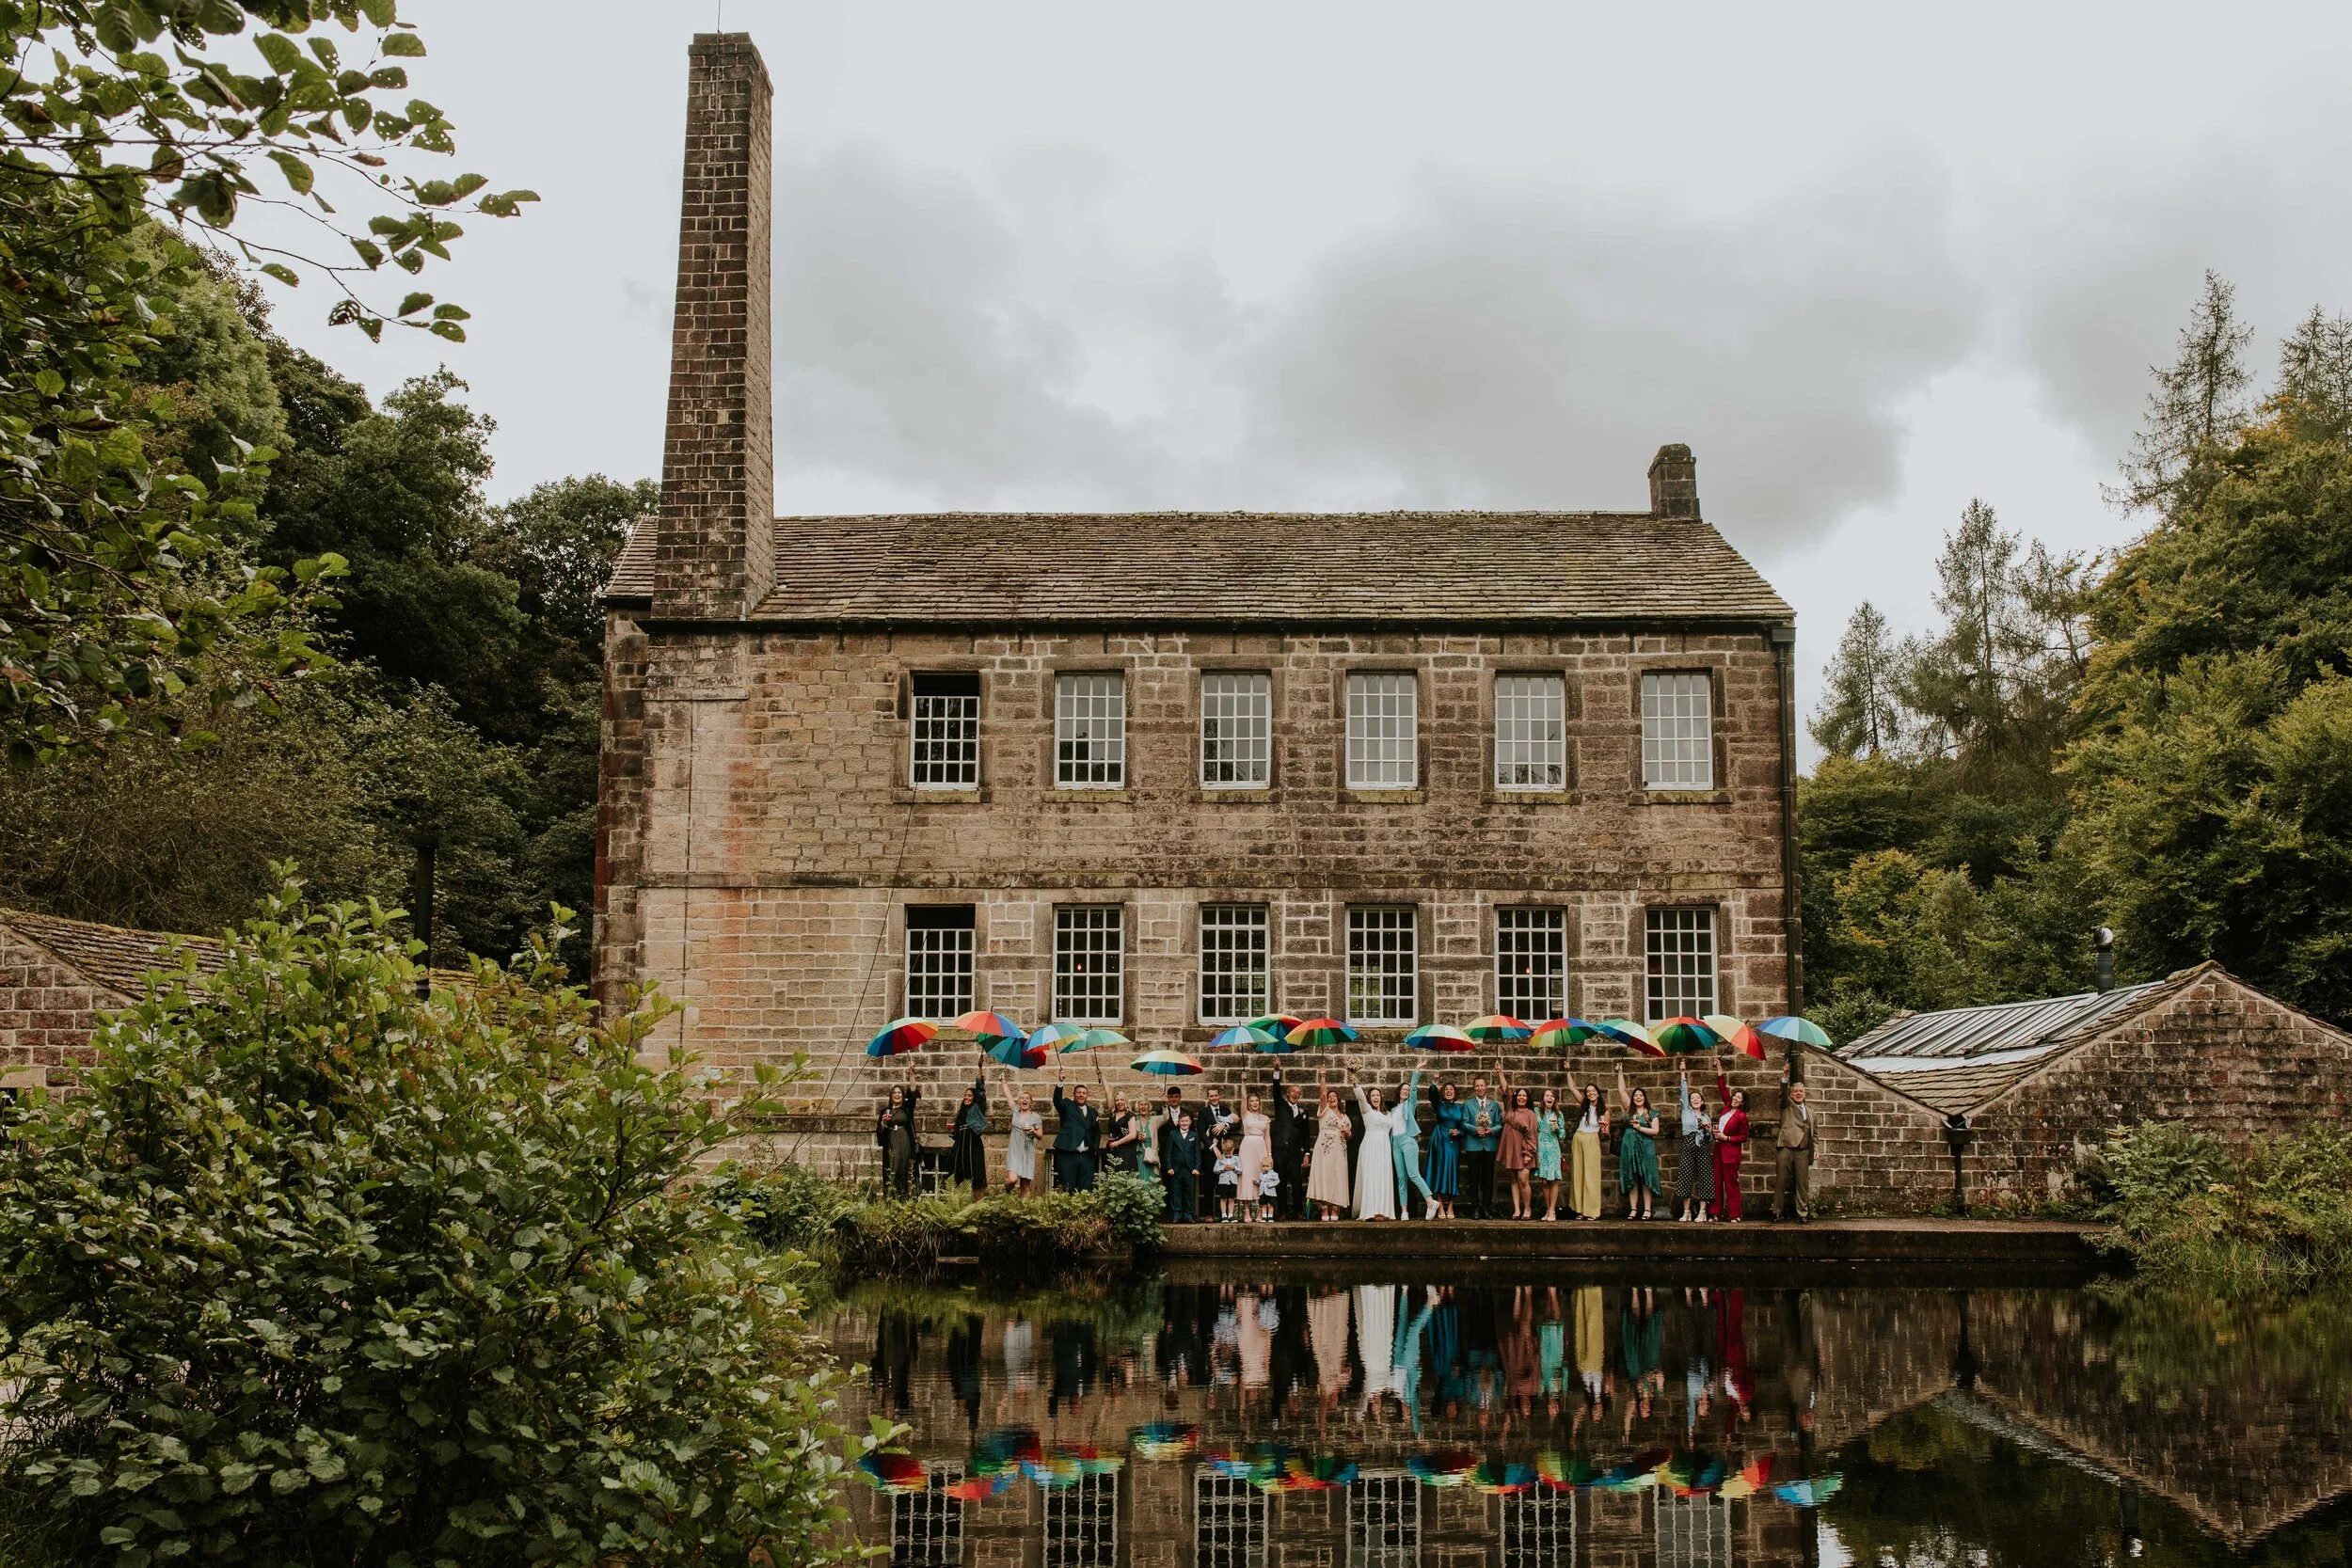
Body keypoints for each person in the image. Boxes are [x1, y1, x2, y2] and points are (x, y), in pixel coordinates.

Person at [1772, 1068, 1820, 1223]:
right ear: (1791, 1094)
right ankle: (1777, 1212)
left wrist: (1816, 1150)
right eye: (1796, 1091)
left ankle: (1803, 1213)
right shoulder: (1786, 1106)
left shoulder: (1812, 1113)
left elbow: (1815, 1135)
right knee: (1781, 1181)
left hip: (1804, 1150)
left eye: (1801, 1091)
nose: (1798, 1093)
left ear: (1805, 1094)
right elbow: (1782, 1094)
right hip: (1786, 1146)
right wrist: (1785, 1076)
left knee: (1802, 1183)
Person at [1390, 1069, 1438, 1220]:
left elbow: (1414, 1088)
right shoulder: (1393, 1110)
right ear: (1399, 1092)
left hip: (1408, 1140)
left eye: (1407, 1090)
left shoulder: (1410, 1105)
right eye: (1403, 1089)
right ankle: (1404, 1211)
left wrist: (1416, 1072)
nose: (1405, 1091)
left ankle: (1430, 1202)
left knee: (1413, 1174)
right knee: (1401, 1178)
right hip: (1395, 1143)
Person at [1615, 1067, 1661, 1220]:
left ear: (1645, 1097)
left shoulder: (1651, 1113)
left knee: (1646, 1177)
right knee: (1632, 1178)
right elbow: (1622, 1091)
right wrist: (1620, 1072)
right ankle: (1633, 1209)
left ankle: (1647, 1209)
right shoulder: (1629, 1109)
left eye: (1641, 1095)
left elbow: (1655, 1131)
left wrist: (1640, 1127)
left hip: (1646, 1147)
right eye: (1636, 1095)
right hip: (1628, 1147)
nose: (1638, 1097)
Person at [1306, 1077, 1353, 1220]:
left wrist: (1349, 1134)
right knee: (1324, 1176)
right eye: (1329, 1096)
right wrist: (1323, 1077)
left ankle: (1335, 1208)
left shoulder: (1345, 1117)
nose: (1331, 1098)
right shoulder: (1324, 1111)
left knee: (1338, 1177)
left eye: (1334, 1096)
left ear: (1338, 1100)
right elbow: (1322, 1094)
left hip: (1340, 1150)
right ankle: (1324, 1208)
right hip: (1325, 1149)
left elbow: (1349, 1136)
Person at [1354, 1075, 1399, 1220]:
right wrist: (1355, 1083)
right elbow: (1360, 1097)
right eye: (1372, 1095)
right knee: (1372, 1177)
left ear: (1381, 1097)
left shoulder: (1388, 1114)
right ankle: (1371, 1211)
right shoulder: (1366, 1110)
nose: (1375, 1097)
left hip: (1385, 1148)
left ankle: (1383, 1210)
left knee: (1383, 1177)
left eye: (1377, 1095)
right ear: (1369, 1098)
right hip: (1371, 1146)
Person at [1269, 1069, 1311, 1221]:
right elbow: (1275, 1089)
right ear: (1288, 1093)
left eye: (1298, 1092)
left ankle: (1299, 1211)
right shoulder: (1280, 1105)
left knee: (1297, 1181)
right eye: (1293, 1091)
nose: (1295, 1094)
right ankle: (1282, 1212)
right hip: (1279, 1149)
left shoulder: (1304, 1112)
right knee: (1280, 1181)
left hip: (1294, 1152)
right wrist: (1276, 1071)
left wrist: (1307, 1153)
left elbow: (1306, 1134)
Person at [1676, 1069, 1717, 1222]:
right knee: (1685, 1177)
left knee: (1705, 1177)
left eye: (1697, 1097)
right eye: (1692, 1097)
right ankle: (1686, 1211)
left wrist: (1707, 1131)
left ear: (1703, 1102)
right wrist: (1683, 1074)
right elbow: (1683, 1093)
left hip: (1702, 1147)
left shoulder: (1706, 1117)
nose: (1694, 1099)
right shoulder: (1686, 1111)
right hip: (1688, 1143)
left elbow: (1709, 1139)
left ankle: (1702, 1212)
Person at [1713, 1064, 1751, 1222]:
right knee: (1716, 1182)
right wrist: (1720, 1072)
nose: (1735, 1099)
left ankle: (1734, 1214)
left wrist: (1726, 1138)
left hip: (1731, 1154)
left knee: (1731, 1184)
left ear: (1742, 1103)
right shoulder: (1727, 1106)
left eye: (1738, 1098)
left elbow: (1743, 1137)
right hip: (1718, 1151)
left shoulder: (1742, 1117)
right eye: (1734, 1097)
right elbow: (1722, 1090)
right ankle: (1715, 1212)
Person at [1462, 1077, 1502, 1219]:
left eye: (1482, 1086)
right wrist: (1475, 1129)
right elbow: (1464, 1123)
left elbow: (1499, 1124)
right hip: (1473, 1145)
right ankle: (1474, 1208)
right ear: (1474, 1088)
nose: (1479, 1088)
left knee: (1488, 1178)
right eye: (1477, 1086)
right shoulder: (1468, 1104)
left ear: (1486, 1087)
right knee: (1473, 1178)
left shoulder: (1494, 1105)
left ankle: (1486, 1207)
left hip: (1489, 1146)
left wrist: (1492, 1130)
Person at [1426, 1080, 1466, 1219]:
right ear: (1443, 1093)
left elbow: (1464, 1127)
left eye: (1452, 1090)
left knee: (1453, 1172)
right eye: (1447, 1090)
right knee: (1439, 1171)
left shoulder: (1460, 1109)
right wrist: (1435, 1081)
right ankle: (1441, 1206)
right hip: (1439, 1140)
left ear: (1455, 1094)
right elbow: (1432, 1094)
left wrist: (1459, 1133)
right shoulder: (1439, 1106)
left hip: (1454, 1142)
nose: (1449, 1091)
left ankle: (1451, 1206)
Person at [1051, 1082, 1099, 1194]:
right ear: (1074, 1094)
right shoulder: (1067, 1105)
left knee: (1086, 1189)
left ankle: (1084, 1211)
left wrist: (1095, 1149)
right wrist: (1060, 1083)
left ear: (1087, 1095)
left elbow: (1097, 1132)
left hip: (1087, 1156)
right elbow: (1057, 1101)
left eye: (1084, 1093)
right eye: (1079, 1093)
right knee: (1067, 1188)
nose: (1081, 1095)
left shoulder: (1093, 1112)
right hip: (1068, 1155)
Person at [1498, 1085, 1537, 1220]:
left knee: (1523, 1180)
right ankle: (1517, 1209)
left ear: (1528, 1099)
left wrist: (1528, 1153)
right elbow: (1506, 1089)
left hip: (1523, 1150)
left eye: (1524, 1096)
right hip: (1510, 1148)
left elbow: (1532, 1134)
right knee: (1513, 1179)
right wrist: (1499, 1071)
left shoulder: (1531, 1114)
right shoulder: (1510, 1108)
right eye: (1519, 1095)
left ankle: (1527, 1208)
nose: (1521, 1097)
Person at [878, 1073, 919, 1197]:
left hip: (904, 1141)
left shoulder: (907, 1108)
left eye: (899, 1092)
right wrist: (884, 1123)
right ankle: (891, 1198)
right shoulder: (885, 1111)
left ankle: (905, 1197)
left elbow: (913, 1093)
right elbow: (880, 1132)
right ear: (891, 1096)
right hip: (890, 1142)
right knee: (891, 1168)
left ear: (902, 1096)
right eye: (894, 1093)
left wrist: (911, 1074)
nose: (897, 1094)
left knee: (904, 1168)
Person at [948, 1074, 990, 1196]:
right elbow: (957, 1135)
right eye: (965, 1095)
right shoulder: (961, 1113)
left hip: (974, 1148)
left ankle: (977, 1207)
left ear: (974, 1098)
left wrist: (980, 1071)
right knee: (960, 1181)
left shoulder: (977, 1110)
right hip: (960, 1150)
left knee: (976, 1179)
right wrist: (952, 1132)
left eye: (969, 1095)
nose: (966, 1097)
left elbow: (981, 1093)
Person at [1534, 1087, 1567, 1221]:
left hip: (1553, 1148)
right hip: (1541, 1148)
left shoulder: (1558, 1114)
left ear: (1554, 1099)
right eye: (1547, 1095)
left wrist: (1558, 1129)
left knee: (1553, 1180)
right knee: (1544, 1181)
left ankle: (1553, 1210)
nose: (1550, 1098)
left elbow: (1563, 1135)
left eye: (1552, 1096)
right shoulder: (1537, 1112)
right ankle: (1548, 1209)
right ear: (1543, 1098)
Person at [1165, 1109, 1203, 1223]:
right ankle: (1176, 1215)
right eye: (1182, 1121)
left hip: (1190, 1169)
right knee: (1176, 1192)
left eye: (1186, 1121)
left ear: (1190, 1122)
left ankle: (1188, 1215)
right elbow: (1168, 1153)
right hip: (1176, 1169)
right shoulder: (1172, 1134)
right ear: (1178, 1122)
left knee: (1189, 1193)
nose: (1184, 1123)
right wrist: (1169, 1167)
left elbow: (1198, 1153)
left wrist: (1197, 1167)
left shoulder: (1194, 1135)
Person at [1238, 1091, 1273, 1216]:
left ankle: (1260, 1209)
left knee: (1261, 1177)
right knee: (1247, 1176)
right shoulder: (1245, 1115)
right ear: (1248, 1104)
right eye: (1251, 1101)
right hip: (1247, 1147)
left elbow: (1267, 1137)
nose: (1254, 1103)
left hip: (1261, 1147)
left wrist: (1269, 1155)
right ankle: (1246, 1210)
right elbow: (1242, 1097)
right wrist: (1243, 1082)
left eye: (1256, 1100)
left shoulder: (1265, 1119)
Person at [1007, 1092, 1043, 1197]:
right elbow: (1009, 1097)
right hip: (1014, 1150)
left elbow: (1040, 1136)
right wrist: (1003, 1082)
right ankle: (1007, 1190)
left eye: (1027, 1098)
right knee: (1012, 1180)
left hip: (1027, 1152)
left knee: (1025, 1187)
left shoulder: (1036, 1117)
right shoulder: (1015, 1112)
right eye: (1022, 1098)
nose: (1024, 1100)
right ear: (1019, 1102)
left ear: (1031, 1102)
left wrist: (1034, 1131)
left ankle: (1023, 1211)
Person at [1102, 1091, 1142, 1175]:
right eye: (1117, 1100)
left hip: (1126, 1151)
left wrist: (1117, 1143)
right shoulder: (1113, 1114)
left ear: (1125, 1101)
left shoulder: (1130, 1115)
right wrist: (1102, 1078)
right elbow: (1107, 1092)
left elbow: (1132, 1135)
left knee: (1124, 1175)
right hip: (1111, 1150)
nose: (1119, 1102)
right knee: (1110, 1175)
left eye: (1121, 1100)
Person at [1215, 1135, 1243, 1220]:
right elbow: (1215, 1169)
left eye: (1229, 1153)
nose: (1227, 1155)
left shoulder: (1236, 1159)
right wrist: (1223, 1168)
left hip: (1233, 1182)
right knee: (1223, 1199)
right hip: (1223, 1182)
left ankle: (1230, 1215)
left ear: (1233, 1150)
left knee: (1231, 1199)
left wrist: (1234, 1168)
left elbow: (1240, 1170)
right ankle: (1224, 1215)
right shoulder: (1220, 1158)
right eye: (1226, 1153)